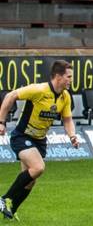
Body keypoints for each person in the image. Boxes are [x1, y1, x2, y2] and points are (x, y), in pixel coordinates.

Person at [0, 60, 80, 220]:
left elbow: (67, 120)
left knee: (30, 180)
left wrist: (72, 136)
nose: (71, 80)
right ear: (58, 76)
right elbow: (11, 95)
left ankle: (11, 211)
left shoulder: (65, 97)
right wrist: (1, 122)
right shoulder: (39, 89)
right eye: (69, 76)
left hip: (40, 140)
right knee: (38, 168)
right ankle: (3, 199)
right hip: (22, 136)